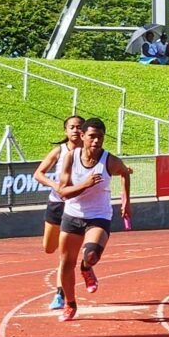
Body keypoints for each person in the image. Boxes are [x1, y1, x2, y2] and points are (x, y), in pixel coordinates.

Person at [53, 118, 133, 322]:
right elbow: (63, 192)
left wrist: (126, 200)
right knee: (65, 263)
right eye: (92, 137)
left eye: (100, 137)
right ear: (82, 136)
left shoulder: (109, 160)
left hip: (99, 215)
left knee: (91, 255)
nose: (96, 141)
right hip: (73, 215)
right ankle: (70, 304)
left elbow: (124, 172)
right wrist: (86, 184)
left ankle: (87, 268)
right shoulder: (71, 157)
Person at [33, 116, 85, 310]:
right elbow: (38, 173)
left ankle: (60, 294)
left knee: (65, 254)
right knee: (49, 247)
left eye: (79, 127)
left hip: (77, 206)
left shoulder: (89, 152)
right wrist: (56, 185)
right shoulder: (59, 151)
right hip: (56, 203)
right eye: (71, 127)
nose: (75, 130)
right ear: (65, 131)